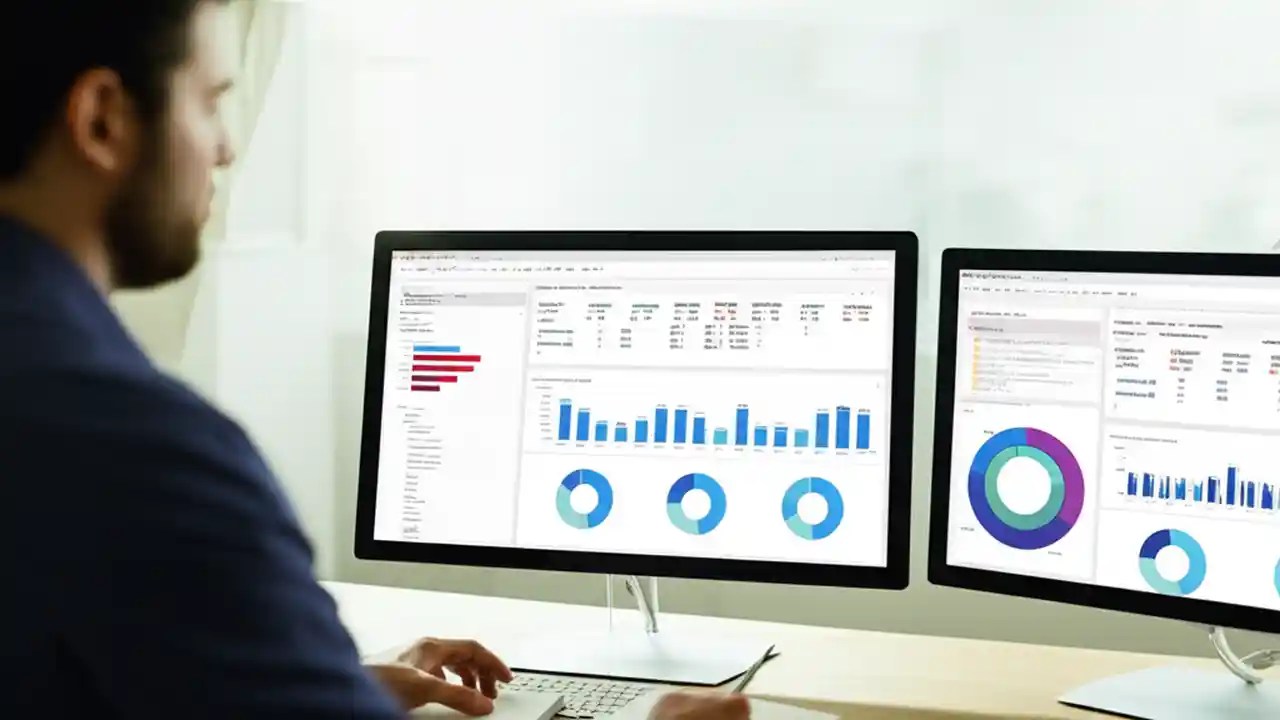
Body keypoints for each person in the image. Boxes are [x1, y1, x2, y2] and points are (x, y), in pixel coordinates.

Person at [0, 2, 752, 719]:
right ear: (102, 119)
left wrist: (315, 681)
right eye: (209, 100)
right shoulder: (141, 454)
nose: (227, 147)